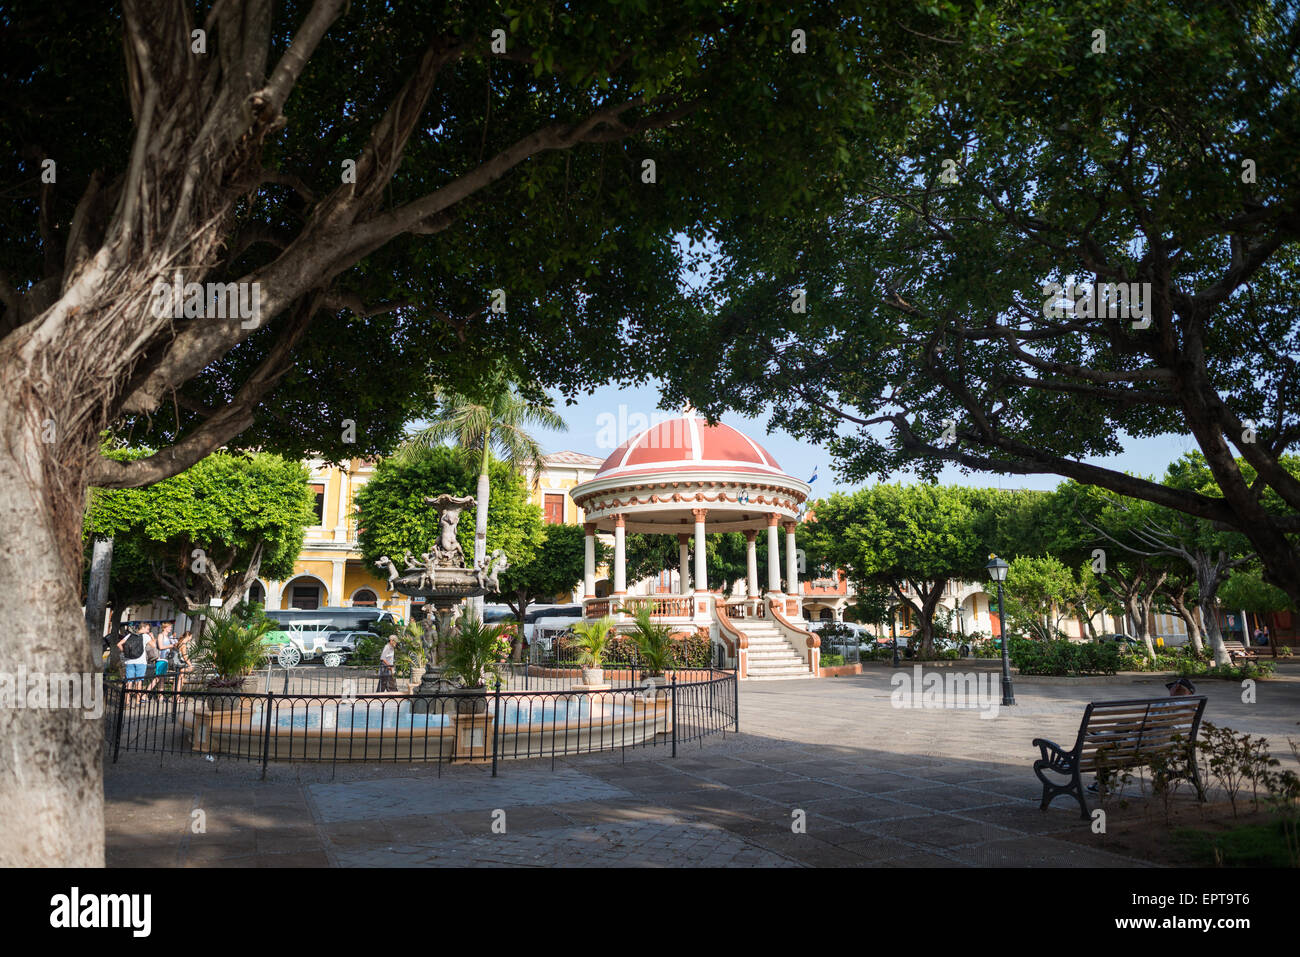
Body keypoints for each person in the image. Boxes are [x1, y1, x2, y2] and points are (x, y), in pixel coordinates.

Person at [116, 624, 150, 702]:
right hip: (141, 661)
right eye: (147, 629)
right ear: (143, 627)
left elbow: (119, 644)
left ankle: (127, 701)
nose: (148, 631)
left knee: (129, 681)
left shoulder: (130, 635)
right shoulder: (145, 636)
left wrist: (125, 652)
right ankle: (138, 701)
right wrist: (152, 637)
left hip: (129, 661)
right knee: (139, 681)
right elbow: (154, 645)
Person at [148, 622, 176, 692]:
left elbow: (168, 648)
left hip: (166, 659)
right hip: (160, 659)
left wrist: (172, 647)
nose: (171, 628)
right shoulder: (161, 635)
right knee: (157, 678)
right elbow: (160, 647)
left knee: (162, 679)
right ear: (165, 628)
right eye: (169, 627)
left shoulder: (168, 637)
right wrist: (170, 646)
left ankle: (160, 696)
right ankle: (145, 694)